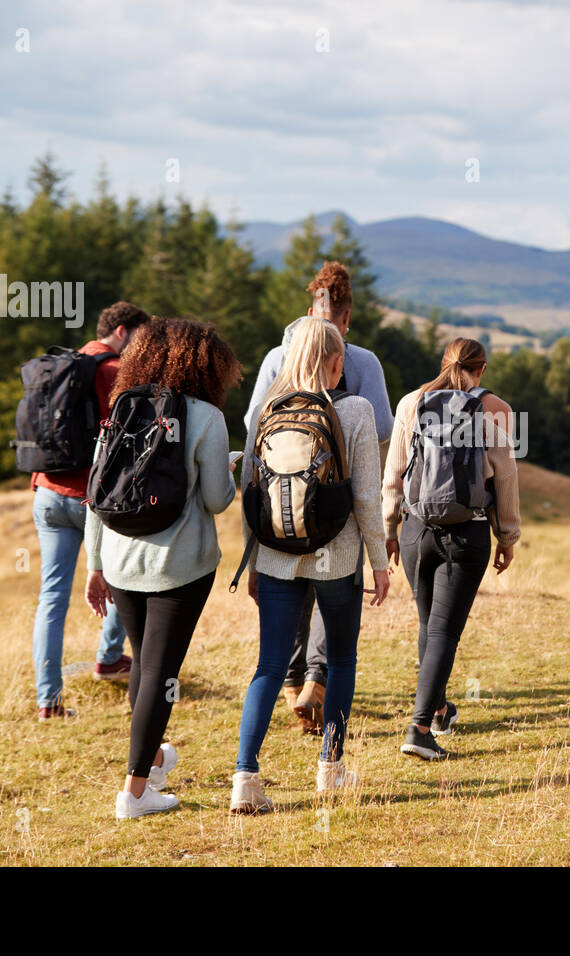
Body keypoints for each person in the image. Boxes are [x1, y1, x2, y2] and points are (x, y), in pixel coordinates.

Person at [83, 318, 243, 820]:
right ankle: (133, 793)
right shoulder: (206, 417)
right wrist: (232, 470)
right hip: (179, 567)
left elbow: (96, 495)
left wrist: (95, 565)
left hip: (120, 560)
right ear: (207, 365)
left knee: (145, 665)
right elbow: (217, 500)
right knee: (159, 671)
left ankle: (151, 762)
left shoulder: (122, 408)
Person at [231, 316, 390, 813]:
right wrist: (380, 562)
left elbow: (250, 495)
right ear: (337, 362)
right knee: (341, 659)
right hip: (337, 558)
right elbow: (366, 497)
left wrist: (252, 560)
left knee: (270, 665)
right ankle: (330, 769)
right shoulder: (358, 410)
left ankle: (244, 779)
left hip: (277, 555)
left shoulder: (265, 411)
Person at [243, 261, 393, 733]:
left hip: (277, 521)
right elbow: (383, 433)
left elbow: (252, 443)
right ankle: (319, 686)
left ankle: (286, 695)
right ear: (346, 318)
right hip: (337, 521)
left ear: (308, 312)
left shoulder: (274, 360)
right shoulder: (363, 362)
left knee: (285, 611)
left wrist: (250, 551)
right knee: (335, 607)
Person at [382, 338, 521, 760]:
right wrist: (508, 536)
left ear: (443, 363)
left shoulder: (411, 402)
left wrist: (389, 528)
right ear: (481, 370)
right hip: (467, 531)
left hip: (416, 530)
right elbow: (505, 477)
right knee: (443, 630)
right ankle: (420, 728)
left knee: (429, 624)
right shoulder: (495, 410)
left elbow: (394, 474)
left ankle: (439, 710)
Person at [31, 301, 149, 720]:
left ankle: (48, 701)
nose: (142, 347)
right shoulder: (113, 371)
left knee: (52, 598)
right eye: (140, 336)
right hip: (91, 499)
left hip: (45, 493)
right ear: (122, 331)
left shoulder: (64, 364)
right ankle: (109, 657)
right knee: (123, 578)